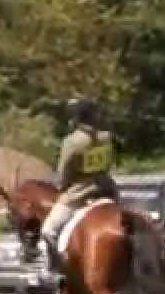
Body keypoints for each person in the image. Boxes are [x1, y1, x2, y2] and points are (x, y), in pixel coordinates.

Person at [40, 95, 118, 278]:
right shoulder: (106, 137)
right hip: (106, 190)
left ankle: (56, 270)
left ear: (75, 118)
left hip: (79, 194)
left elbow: (63, 174)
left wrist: (61, 187)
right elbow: (108, 164)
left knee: (48, 231)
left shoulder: (72, 142)